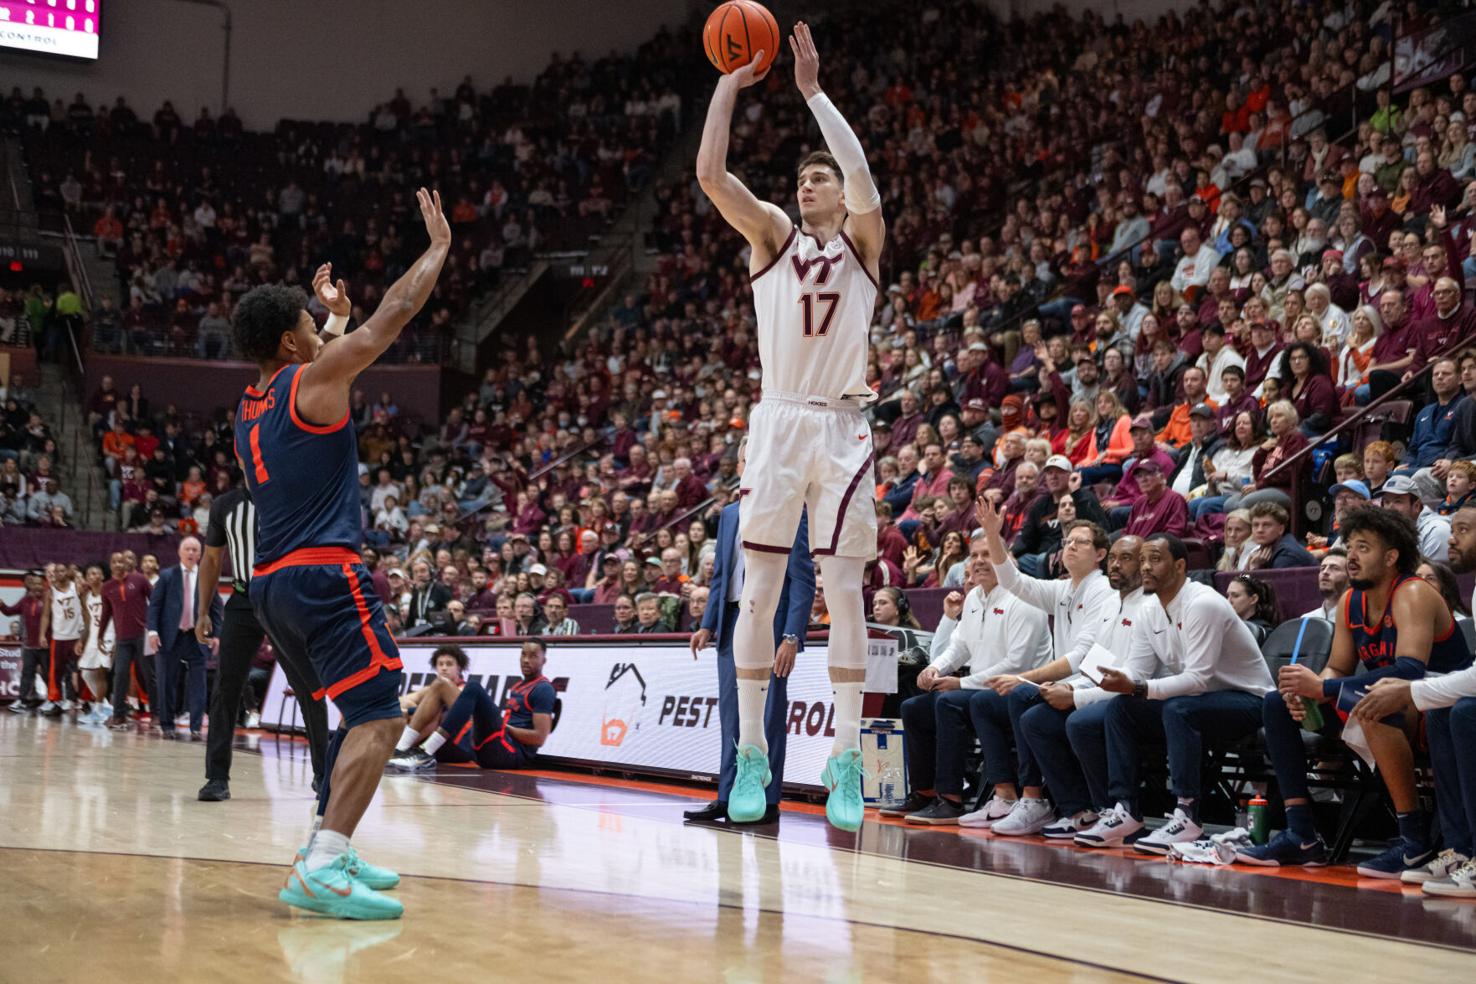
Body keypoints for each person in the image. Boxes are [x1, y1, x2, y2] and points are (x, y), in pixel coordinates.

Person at [233, 187, 448, 919]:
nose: (318, 329)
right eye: (308, 323)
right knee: (381, 715)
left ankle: (328, 844)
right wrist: (437, 249)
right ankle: (323, 864)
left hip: (271, 585)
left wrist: (331, 318)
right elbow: (398, 312)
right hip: (324, 574)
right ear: (291, 344)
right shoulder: (314, 379)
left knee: (353, 715)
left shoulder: (249, 407)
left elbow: (318, 365)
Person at [696, 23, 884, 831]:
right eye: (802, 178)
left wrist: (812, 93)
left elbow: (863, 174)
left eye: (820, 178)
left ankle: (845, 758)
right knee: (760, 592)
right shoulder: (772, 235)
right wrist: (728, 84)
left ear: (840, 195)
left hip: (842, 426)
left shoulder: (864, 243)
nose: (809, 185)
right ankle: (750, 755)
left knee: (844, 591)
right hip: (777, 421)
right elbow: (710, 175)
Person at [1238, 507, 1471, 875]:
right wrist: (1311, 692)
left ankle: (1413, 842)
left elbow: (1410, 670)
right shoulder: (1351, 600)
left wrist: (1325, 686)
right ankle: (1302, 834)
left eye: (1364, 548)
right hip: (1386, 698)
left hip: (1436, 704)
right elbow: (1339, 667)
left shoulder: (1413, 592)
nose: (1352, 556)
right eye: (1350, 547)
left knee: (1373, 706)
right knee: (1277, 703)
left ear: (1390, 557)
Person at [909, 498, 1114, 834]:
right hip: (1057, 685)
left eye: (1081, 542)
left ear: (1100, 554)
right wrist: (992, 534)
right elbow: (1015, 582)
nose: (1071, 546)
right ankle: (1011, 798)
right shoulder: (1063, 589)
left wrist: (1023, 679)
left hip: (1087, 686)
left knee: (1014, 699)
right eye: (1067, 541)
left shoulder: (1102, 592)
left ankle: (1035, 799)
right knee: (983, 703)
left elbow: (1080, 657)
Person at [1075, 534, 1274, 852]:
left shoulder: (1204, 603)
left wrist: (1137, 687)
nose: (1145, 567)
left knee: (1177, 709)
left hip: (1249, 699)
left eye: (1155, 559)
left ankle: (1187, 815)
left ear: (1180, 566)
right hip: (1201, 700)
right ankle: (1125, 809)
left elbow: (1197, 679)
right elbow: (1138, 671)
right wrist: (1115, 680)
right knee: (1121, 708)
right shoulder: (1149, 609)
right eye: (1143, 560)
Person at [686, 437, 814, 825]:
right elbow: (721, 576)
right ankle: (727, 796)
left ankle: (767, 799)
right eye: (745, 459)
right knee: (732, 715)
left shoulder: (790, 509)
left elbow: (802, 579)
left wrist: (792, 635)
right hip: (731, 623)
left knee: (769, 714)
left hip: (771, 624)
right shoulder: (728, 514)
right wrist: (708, 624)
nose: (749, 465)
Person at [1349, 505, 1476, 896]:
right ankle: (1460, 848)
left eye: (1463, 530)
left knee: (1463, 713)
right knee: (1446, 711)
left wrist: (1411, 691)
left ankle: (1437, 844)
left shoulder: (1413, 594)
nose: (1451, 537)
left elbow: (1411, 670)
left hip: (1430, 697)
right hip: (1434, 701)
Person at [888, 534, 1050, 825]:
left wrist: (961, 683)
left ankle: (951, 799)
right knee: (914, 707)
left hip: (1018, 690)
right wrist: (935, 668)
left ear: (1006, 558)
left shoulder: (1025, 597)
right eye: (974, 555)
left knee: (949, 702)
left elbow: (1017, 664)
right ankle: (924, 792)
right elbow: (959, 647)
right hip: (980, 690)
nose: (978, 561)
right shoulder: (975, 597)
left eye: (987, 554)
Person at [997, 536, 1150, 840]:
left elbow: (1133, 678)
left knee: (1080, 722)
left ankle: (1111, 810)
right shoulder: (1113, 603)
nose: (1116, 565)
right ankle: (1077, 811)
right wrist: (1068, 687)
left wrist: (1075, 696)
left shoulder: (1147, 606)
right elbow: (1096, 664)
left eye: (1126, 558)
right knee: (1035, 720)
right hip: (1104, 691)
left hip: (1139, 697)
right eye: (1114, 559)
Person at [195, 485, 327, 802]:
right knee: (226, 687)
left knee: (309, 685)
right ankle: (216, 777)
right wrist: (202, 612)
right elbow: (211, 559)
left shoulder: (291, 494)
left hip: (283, 599)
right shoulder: (225, 505)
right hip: (242, 599)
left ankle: (324, 775)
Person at [389, 639, 554, 773]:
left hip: (509, 753)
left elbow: (539, 738)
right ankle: (400, 749)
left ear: (544, 660)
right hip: (488, 747)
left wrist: (506, 728)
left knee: (473, 688)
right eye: (523, 654)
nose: (526, 660)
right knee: (439, 684)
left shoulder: (543, 689)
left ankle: (425, 752)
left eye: (533, 656)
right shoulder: (519, 686)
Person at [146, 537, 221, 740]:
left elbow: (216, 608)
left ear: (200, 554)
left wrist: (217, 635)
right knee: (166, 681)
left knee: (199, 683)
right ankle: (167, 725)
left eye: (195, 550)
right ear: (180, 552)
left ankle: (196, 727)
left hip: (196, 636)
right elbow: (155, 606)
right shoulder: (167, 576)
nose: (191, 553)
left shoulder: (206, 576)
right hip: (171, 635)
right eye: (187, 549)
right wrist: (153, 631)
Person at [98, 552, 153, 727]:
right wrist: (100, 635)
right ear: (110, 565)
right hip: (122, 638)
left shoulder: (140, 580)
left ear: (126, 564)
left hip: (142, 635)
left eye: (121, 561)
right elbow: (106, 613)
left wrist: (154, 628)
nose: (118, 564)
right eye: (114, 562)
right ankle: (118, 715)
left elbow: (155, 601)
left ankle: (158, 714)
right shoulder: (106, 587)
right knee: (120, 674)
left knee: (148, 674)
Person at [2, 572, 50, 712]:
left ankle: (54, 700)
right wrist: (2, 605)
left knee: (48, 674)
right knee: (27, 673)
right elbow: (10, 611)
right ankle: (22, 701)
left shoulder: (49, 599)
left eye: (39, 584)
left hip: (45, 645)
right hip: (29, 646)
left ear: (44, 585)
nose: (37, 586)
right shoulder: (25, 600)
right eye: (34, 584)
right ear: (30, 586)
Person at [43, 563, 84, 716]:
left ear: (66, 572)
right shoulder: (50, 591)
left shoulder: (76, 586)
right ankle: (55, 700)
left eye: (62, 570)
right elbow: (46, 615)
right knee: (56, 671)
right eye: (56, 571)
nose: (59, 573)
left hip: (76, 635)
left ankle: (81, 700)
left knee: (79, 670)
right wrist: (42, 634)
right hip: (59, 637)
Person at [1380, 474, 1451, 562]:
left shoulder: (1436, 530)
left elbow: (1434, 570)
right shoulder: (1392, 531)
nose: (1390, 508)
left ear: (1416, 506)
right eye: (1386, 502)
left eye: (1398, 501)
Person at [76, 564, 115, 724]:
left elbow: (117, 616)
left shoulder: (110, 592)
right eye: (90, 574)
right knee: (85, 673)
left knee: (100, 672)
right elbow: (88, 622)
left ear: (103, 576)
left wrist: (116, 640)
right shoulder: (86, 597)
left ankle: (98, 711)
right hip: (93, 636)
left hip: (109, 634)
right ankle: (105, 706)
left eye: (96, 573)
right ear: (86, 578)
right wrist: (81, 640)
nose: (93, 576)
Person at [1246, 501, 1317, 569]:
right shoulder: (1264, 550)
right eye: (1255, 525)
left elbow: (1279, 578)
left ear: (1281, 529)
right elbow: (1242, 577)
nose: (1260, 530)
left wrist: (1255, 569)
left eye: (1266, 525)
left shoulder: (1287, 555)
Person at [1226, 573, 1280, 644]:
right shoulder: (1228, 625)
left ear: (1253, 599)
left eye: (1235, 596)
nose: (1228, 601)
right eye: (1227, 596)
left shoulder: (1263, 632)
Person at [1302, 548, 1350, 619]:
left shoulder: (1358, 619)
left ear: (1350, 579)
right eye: (1322, 568)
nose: (1325, 572)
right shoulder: (1307, 619)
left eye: (1335, 568)